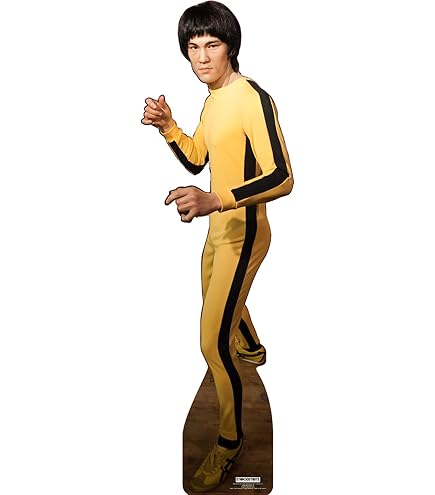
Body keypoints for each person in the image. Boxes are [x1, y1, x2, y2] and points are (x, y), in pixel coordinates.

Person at [141, 1, 293, 491]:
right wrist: (168, 126)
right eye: (193, 47)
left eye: (212, 45)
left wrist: (216, 199)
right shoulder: (214, 98)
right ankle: (253, 347)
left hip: (243, 233)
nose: (202, 57)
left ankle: (230, 443)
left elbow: (283, 176)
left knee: (210, 342)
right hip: (219, 228)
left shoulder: (252, 98)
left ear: (231, 47)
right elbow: (197, 158)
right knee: (216, 301)